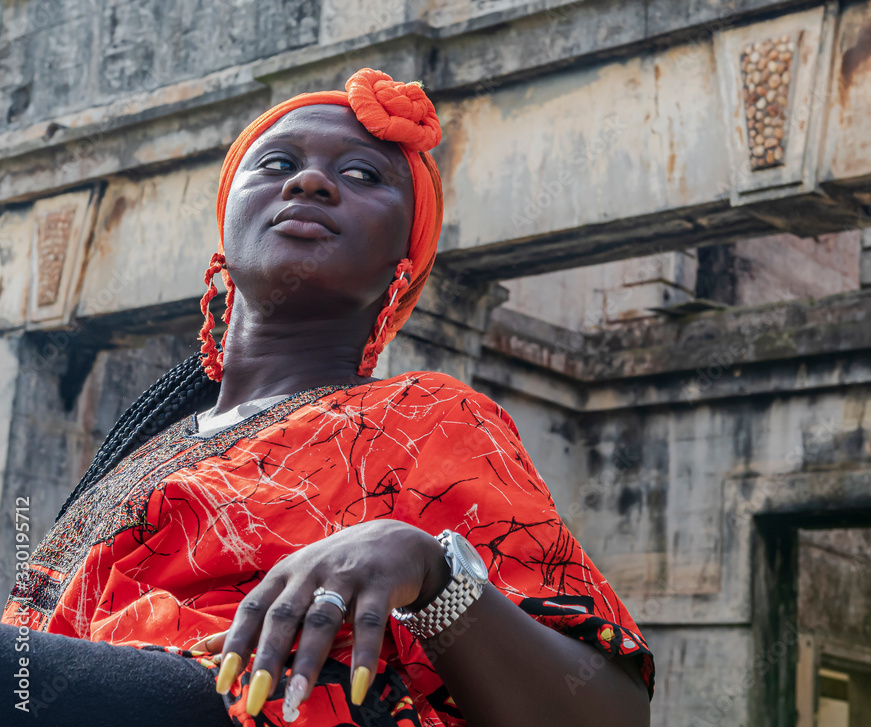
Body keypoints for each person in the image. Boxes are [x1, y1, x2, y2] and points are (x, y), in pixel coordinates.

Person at [2, 68, 653, 726]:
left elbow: (611, 714)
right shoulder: (148, 446)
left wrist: (430, 569)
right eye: (278, 163)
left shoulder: (431, 418)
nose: (309, 182)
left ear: (404, 263)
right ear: (225, 233)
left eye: (363, 174)